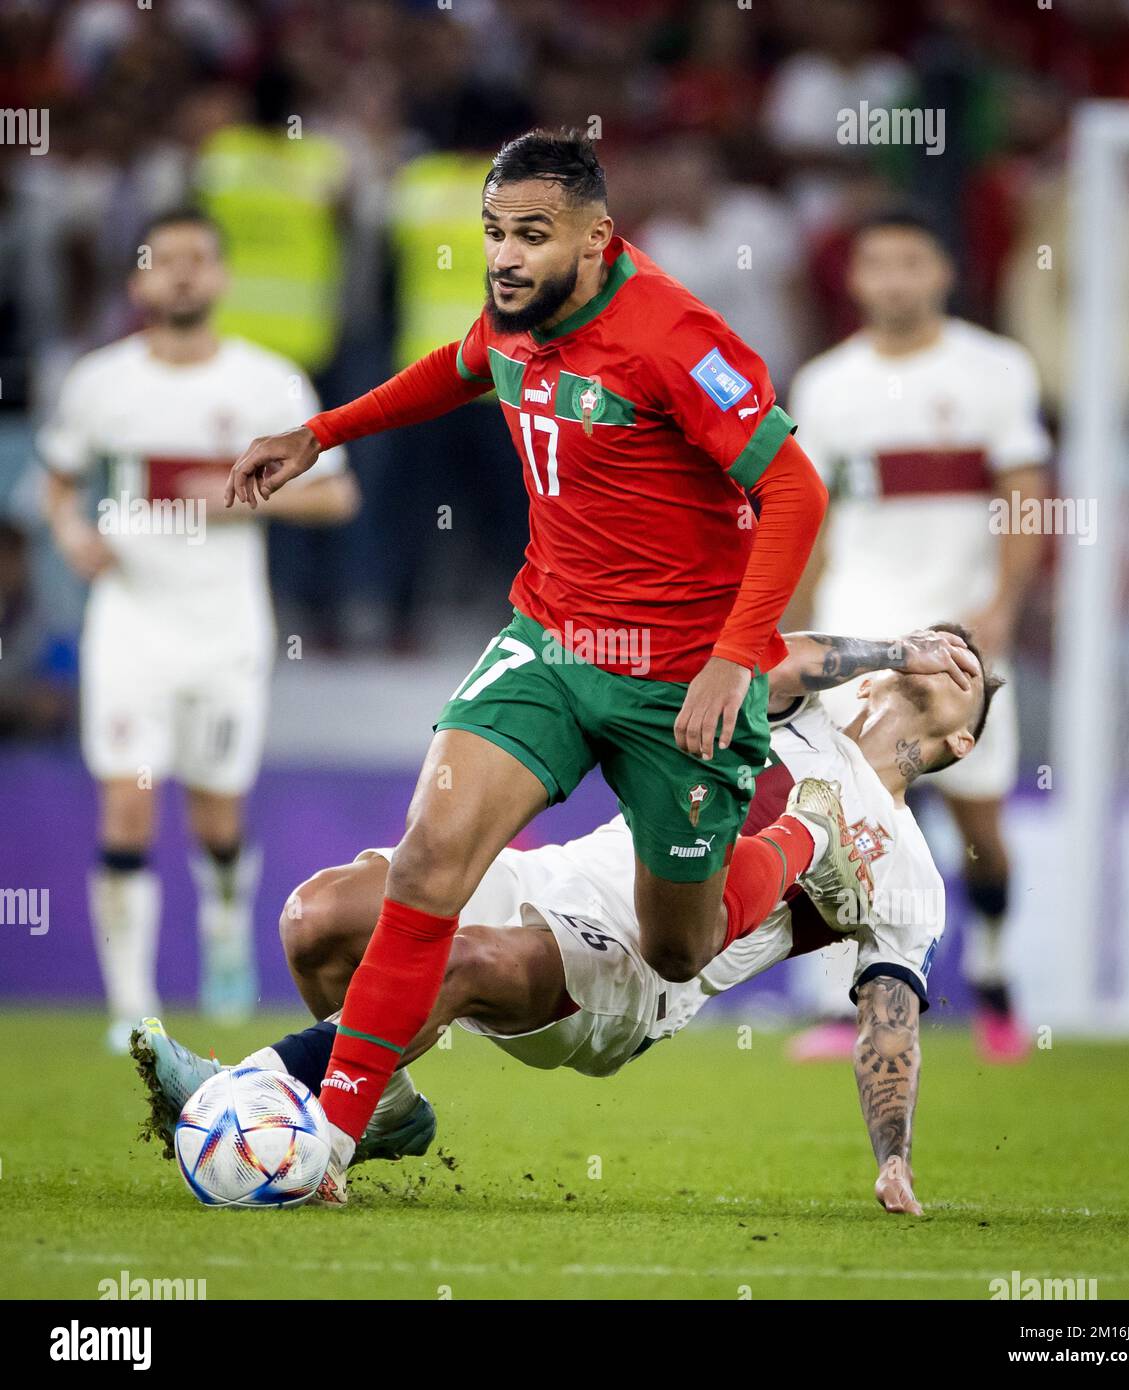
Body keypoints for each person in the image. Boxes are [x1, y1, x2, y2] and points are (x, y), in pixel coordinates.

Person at [223, 128, 830, 1200]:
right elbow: (455, 370)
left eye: (531, 235)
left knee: (679, 948)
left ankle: (808, 837)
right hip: (546, 642)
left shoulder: (674, 337)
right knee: (425, 867)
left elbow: (793, 492)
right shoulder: (518, 318)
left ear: (597, 237)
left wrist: (736, 659)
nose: (504, 257)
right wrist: (321, 432)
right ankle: (336, 1135)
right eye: (494, 233)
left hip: (676, 679)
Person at [134, 625, 995, 1215]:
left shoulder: (909, 872)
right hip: (552, 876)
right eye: (936, 645)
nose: (949, 661)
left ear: (964, 744)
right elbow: (751, 666)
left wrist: (892, 1155)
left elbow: (889, 1021)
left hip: (632, 973)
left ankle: (262, 1110)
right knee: (316, 916)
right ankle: (385, 1104)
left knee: (458, 961)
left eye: (968, 673)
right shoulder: (801, 709)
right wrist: (886, 645)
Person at [41, 209, 359, 1049]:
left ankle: (224, 922)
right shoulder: (99, 383)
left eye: (197, 260)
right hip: (130, 622)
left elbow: (337, 494)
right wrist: (72, 534)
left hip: (225, 626)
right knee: (128, 805)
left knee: (217, 816)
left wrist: (243, 494)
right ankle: (129, 1009)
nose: (181, 275)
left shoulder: (268, 385)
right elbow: (58, 483)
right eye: (164, 261)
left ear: (219, 278)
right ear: (138, 281)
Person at [782, 209, 1050, 1063]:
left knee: (979, 824)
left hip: (962, 632)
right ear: (854, 281)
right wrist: (796, 626)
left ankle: (997, 980)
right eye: (877, 264)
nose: (893, 279)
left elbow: (1025, 497)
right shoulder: (824, 384)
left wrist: (1004, 603)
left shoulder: (994, 369)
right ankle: (839, 1002)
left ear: (942, 272)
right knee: (844, 816)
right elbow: (808, 521)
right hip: (862, 630)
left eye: (911, 261)